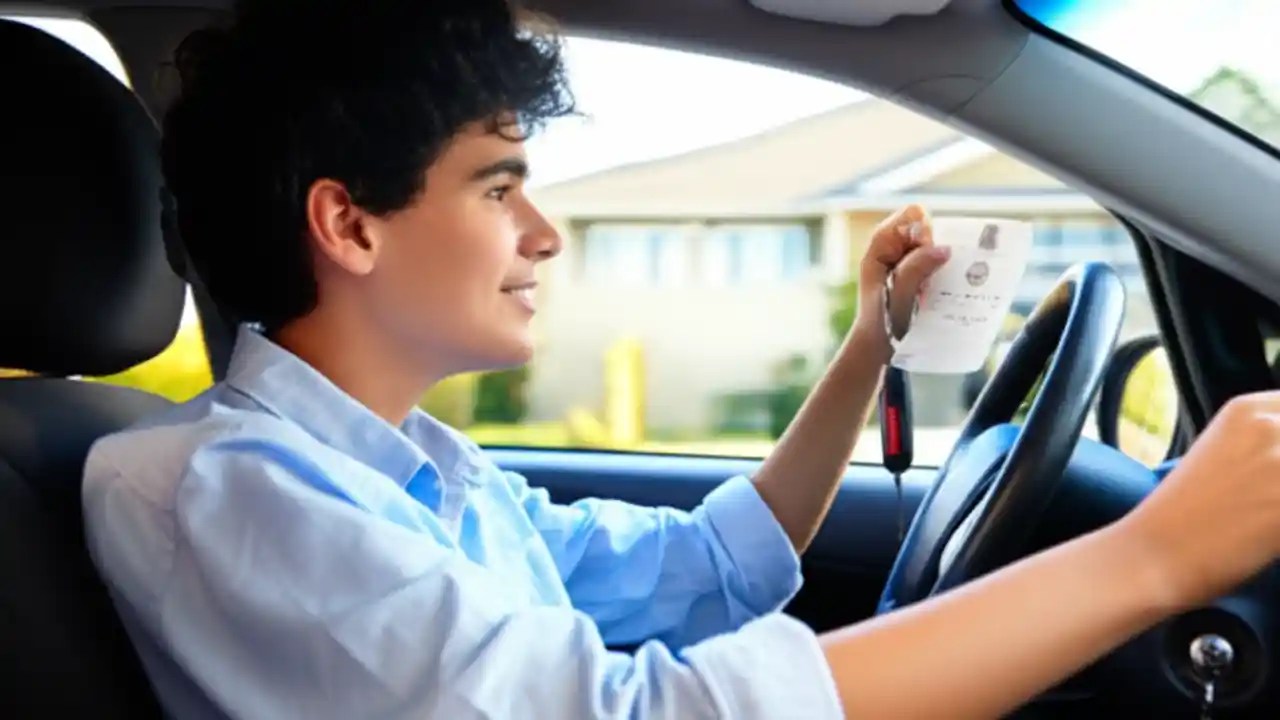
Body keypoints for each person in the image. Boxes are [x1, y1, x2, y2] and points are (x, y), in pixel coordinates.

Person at [81, 1, 1280, 718]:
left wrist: (868, 345)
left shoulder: (423, 474)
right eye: (499, 188)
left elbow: (708, 564)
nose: (542, 235)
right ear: (349, 225)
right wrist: (1151, 558)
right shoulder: (222, 489)